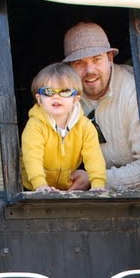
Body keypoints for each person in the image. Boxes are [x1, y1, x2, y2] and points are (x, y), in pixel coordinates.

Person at [63, 22, 140, 190]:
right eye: (79, 63)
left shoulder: (134, 92)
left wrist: (95, 179)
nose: (90, 70)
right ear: (69, 68)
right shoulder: (62, 98)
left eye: (96, 59)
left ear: (110, 58)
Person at [20, 63, 106, 192]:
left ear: (76, 99)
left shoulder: (85, 127)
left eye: (65, 91)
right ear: (39, 99)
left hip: (66, 184)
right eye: (48, 92)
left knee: (86, 179)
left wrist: (98, 185)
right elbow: (32, 157)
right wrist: (40, 185)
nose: (56, 96)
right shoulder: (35, 125)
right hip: (32, 186)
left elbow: (94, 157)